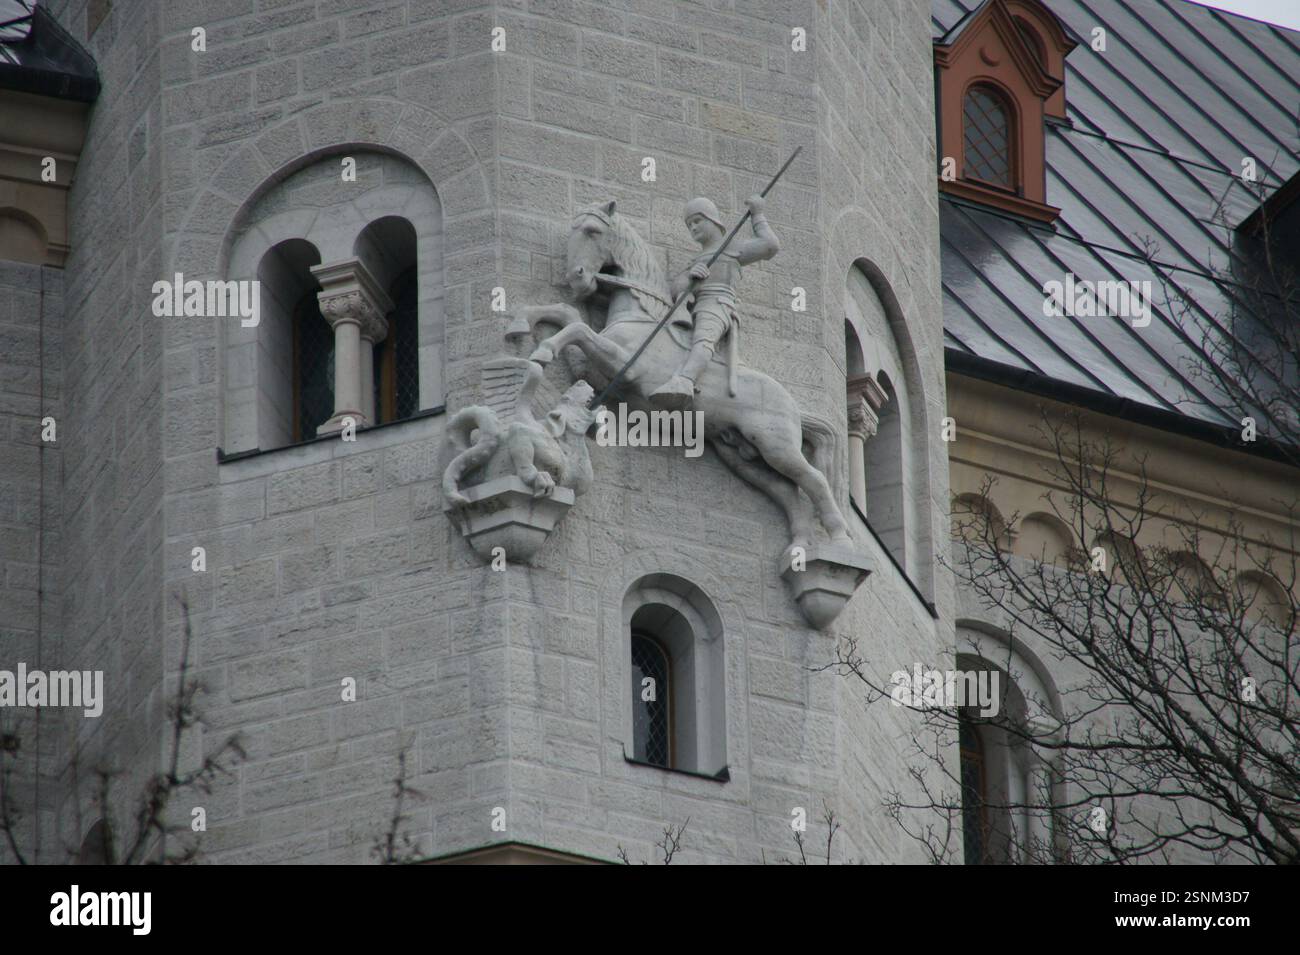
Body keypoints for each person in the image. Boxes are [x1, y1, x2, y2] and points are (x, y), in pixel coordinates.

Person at [649, 193, 779, 408]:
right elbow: (675, 288)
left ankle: (685, 381)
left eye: (697, 221)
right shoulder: (695, 260)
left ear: (712, 220)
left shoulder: (733, 249)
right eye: (689, 224)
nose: (693, 228)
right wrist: (691, 277)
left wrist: (758, 214)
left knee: (704, 338)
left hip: (718, 304)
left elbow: (770, 246)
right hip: (696, 308)